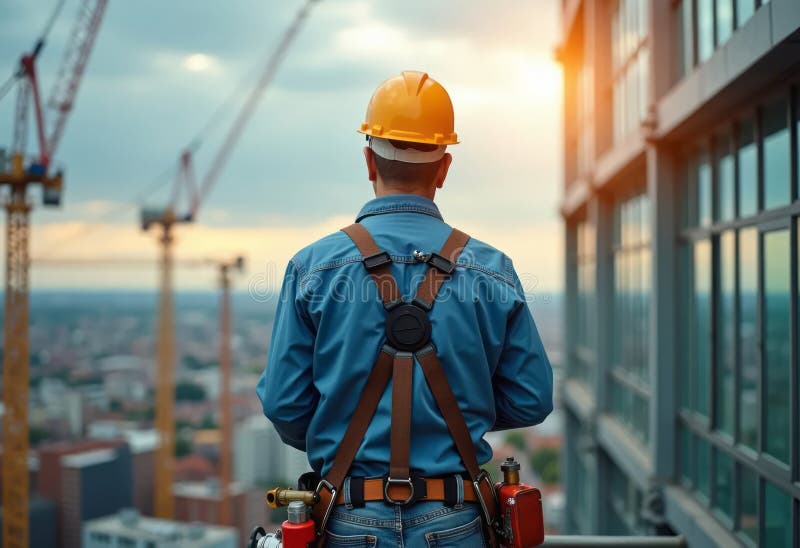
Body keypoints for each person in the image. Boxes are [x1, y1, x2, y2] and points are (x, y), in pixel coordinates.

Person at [258, 70, 553, 547]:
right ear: (444, 168)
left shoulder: (313, 268)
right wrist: (454, 409)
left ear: (368, 160)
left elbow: (284, 404)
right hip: (456, 519)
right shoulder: (491, 269)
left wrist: (345, 425)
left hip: (349, 518)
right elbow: (531, 398)